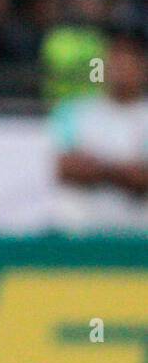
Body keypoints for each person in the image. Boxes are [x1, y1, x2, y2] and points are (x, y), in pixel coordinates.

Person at [53, 26, 148, 232]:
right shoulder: (73, 111)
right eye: (115, 62)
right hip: (81, 231)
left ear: (142, 69)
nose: (121, 71)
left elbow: (143, 178)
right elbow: (65, 168)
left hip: (139, 233)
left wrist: (98, 168)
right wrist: (123, 171)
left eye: (129, 64)